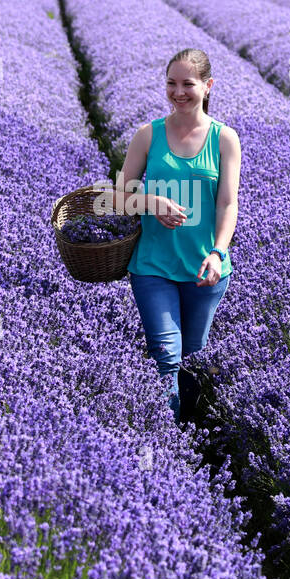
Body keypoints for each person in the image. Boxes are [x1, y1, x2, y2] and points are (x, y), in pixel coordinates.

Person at [111, 47, 241, 423]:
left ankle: (195, 434)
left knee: (193, 357)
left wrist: (218, 252)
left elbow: (227, 205)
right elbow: (117, 198)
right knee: (166, 354)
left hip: (205, 267)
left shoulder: (224, 139)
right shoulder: (147, 135)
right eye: (171, 83)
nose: (178, 92)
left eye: (188, 83)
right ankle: (168, 444)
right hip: (153, 264)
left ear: (208, 86)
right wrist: (151, 202)